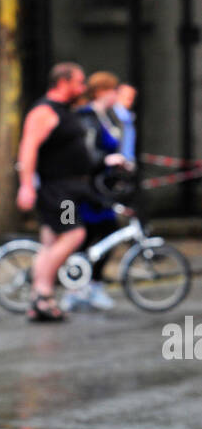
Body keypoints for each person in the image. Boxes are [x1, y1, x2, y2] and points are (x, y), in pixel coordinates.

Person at [15, 61, 125, 323]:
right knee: (74, 235)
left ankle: (42, 299)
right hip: (58, 189)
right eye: (79, 82)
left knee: (51, 243)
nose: (83, 87)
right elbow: (28, 149)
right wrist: (26, 185)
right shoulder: (44, 111)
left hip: (71, 188)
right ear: (63, 82)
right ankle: (42, 293)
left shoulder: (65, 110)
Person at [64, 71, 124, 312]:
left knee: (103, 232)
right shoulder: (86, 117)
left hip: (99, 188)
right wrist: (107, 160)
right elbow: (87, 154)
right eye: (113, 90)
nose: (116, 95)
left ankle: (89, 283)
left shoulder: (102, 117)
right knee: (77, 236)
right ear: (101, 91)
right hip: (85, 190)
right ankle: (76, 287)